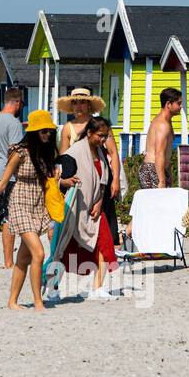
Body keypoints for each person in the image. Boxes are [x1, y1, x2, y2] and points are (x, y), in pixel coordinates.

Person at [0, 111, 78, 312]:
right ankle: (38, 302)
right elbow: (3, 182)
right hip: (20, 203)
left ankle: (12, 301)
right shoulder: (20, 152)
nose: (47, 134)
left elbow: (50, 179)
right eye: (43, 131)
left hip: (37, 204)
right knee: (38, 253)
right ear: (33, 131)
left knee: (23, 258)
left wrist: (64, 181)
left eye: (49, 131)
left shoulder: (47, 152)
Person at [59, 116, 119, 299]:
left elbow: (102, 180)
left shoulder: (100, 152)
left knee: (105, 243)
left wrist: (99, 200)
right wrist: (66, 182)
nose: (103, 140)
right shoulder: (75, 151)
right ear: (90, 133)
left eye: (105, 136)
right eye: (100, 136)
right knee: (62, 248)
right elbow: (58, 178)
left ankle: (97, 287)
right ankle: (53, 286)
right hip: (74, 207)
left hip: (94, 208)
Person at [0, 88, 25, 270]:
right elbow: (14, 151)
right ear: (16, 102)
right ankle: (9, 261)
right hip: (8, 175)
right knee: (8, 218)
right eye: (21, 104)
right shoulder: (14, 122)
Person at [141, 88, 182, 189]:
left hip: (160, 170)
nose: (181, 106)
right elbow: (159, 152)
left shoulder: (167, 121)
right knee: (157, 204)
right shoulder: (162, 124)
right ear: (168, 104)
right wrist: (162, 181)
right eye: (178, 103)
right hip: (153, 169)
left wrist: (168, 173)